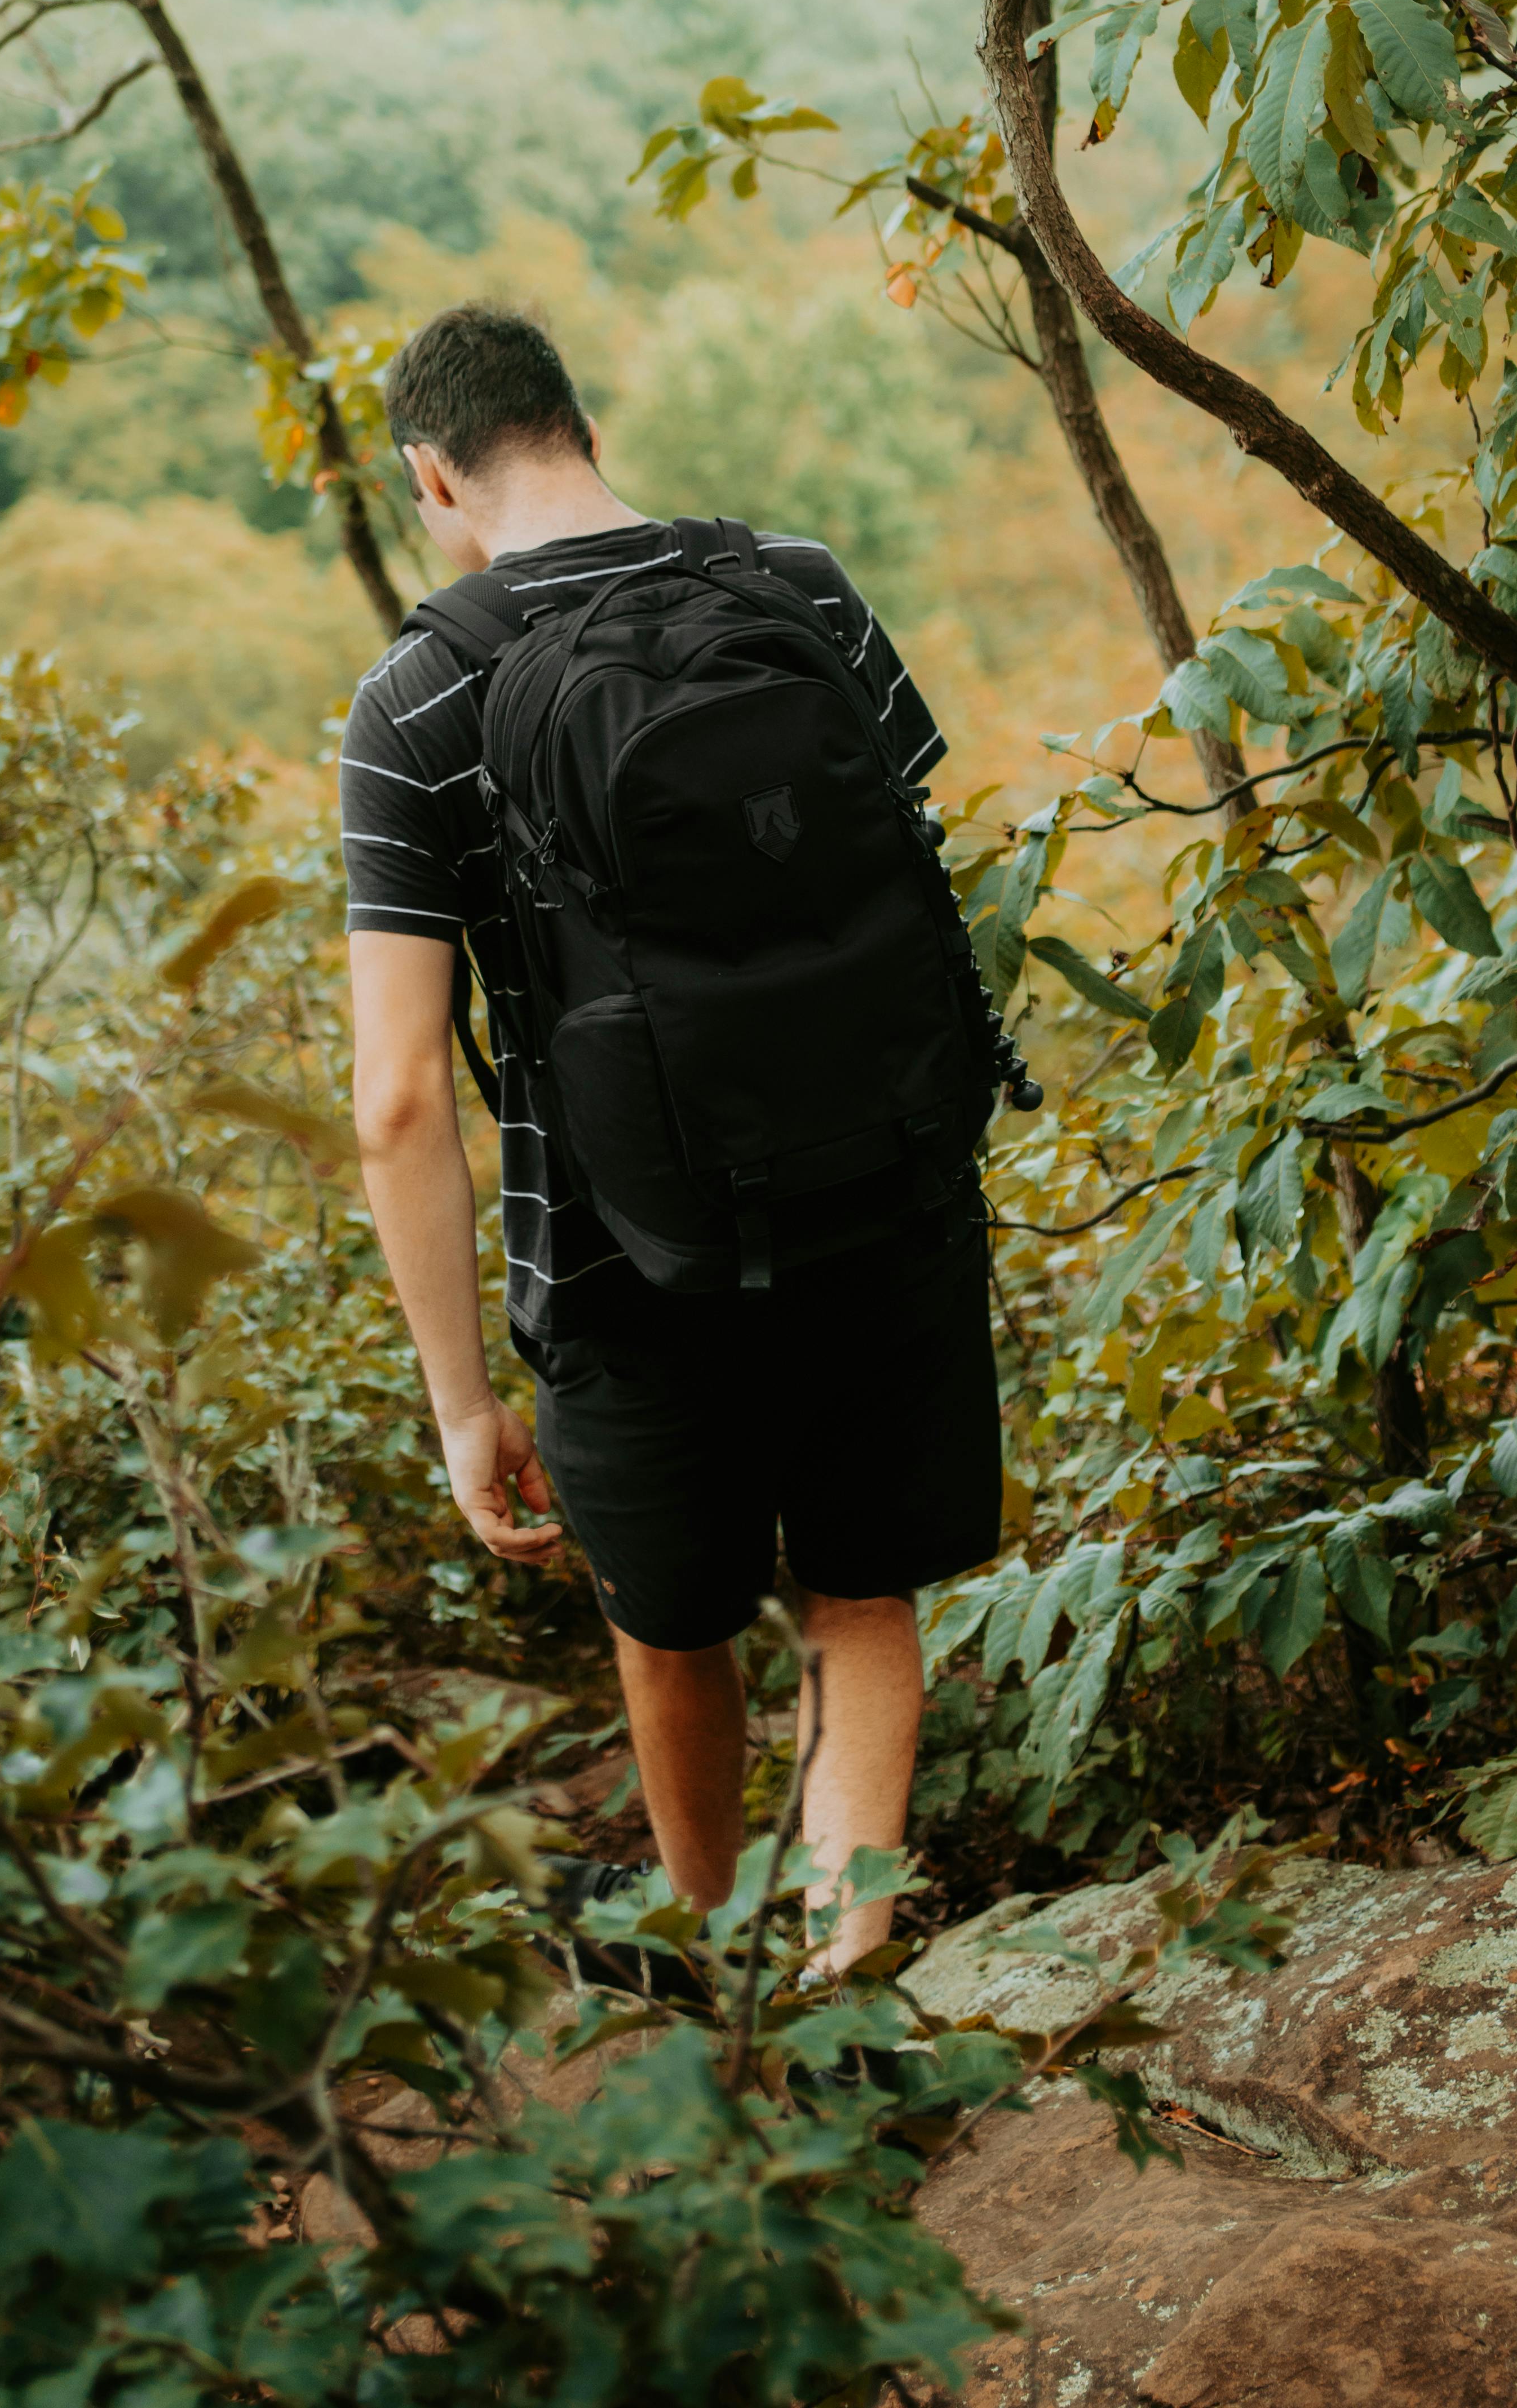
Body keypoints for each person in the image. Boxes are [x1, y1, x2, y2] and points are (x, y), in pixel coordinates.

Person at [342, 302, 1002, 1975]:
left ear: (433, 476)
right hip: (878, 1183)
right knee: (861, 1594)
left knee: (670, 1620)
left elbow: (399, 1096)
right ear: (574, 419)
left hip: (620, 1251)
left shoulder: (418, 699)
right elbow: (901, 866)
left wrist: (459, 1401)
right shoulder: (799, 583)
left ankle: (713, 1977)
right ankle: (850, 1965)